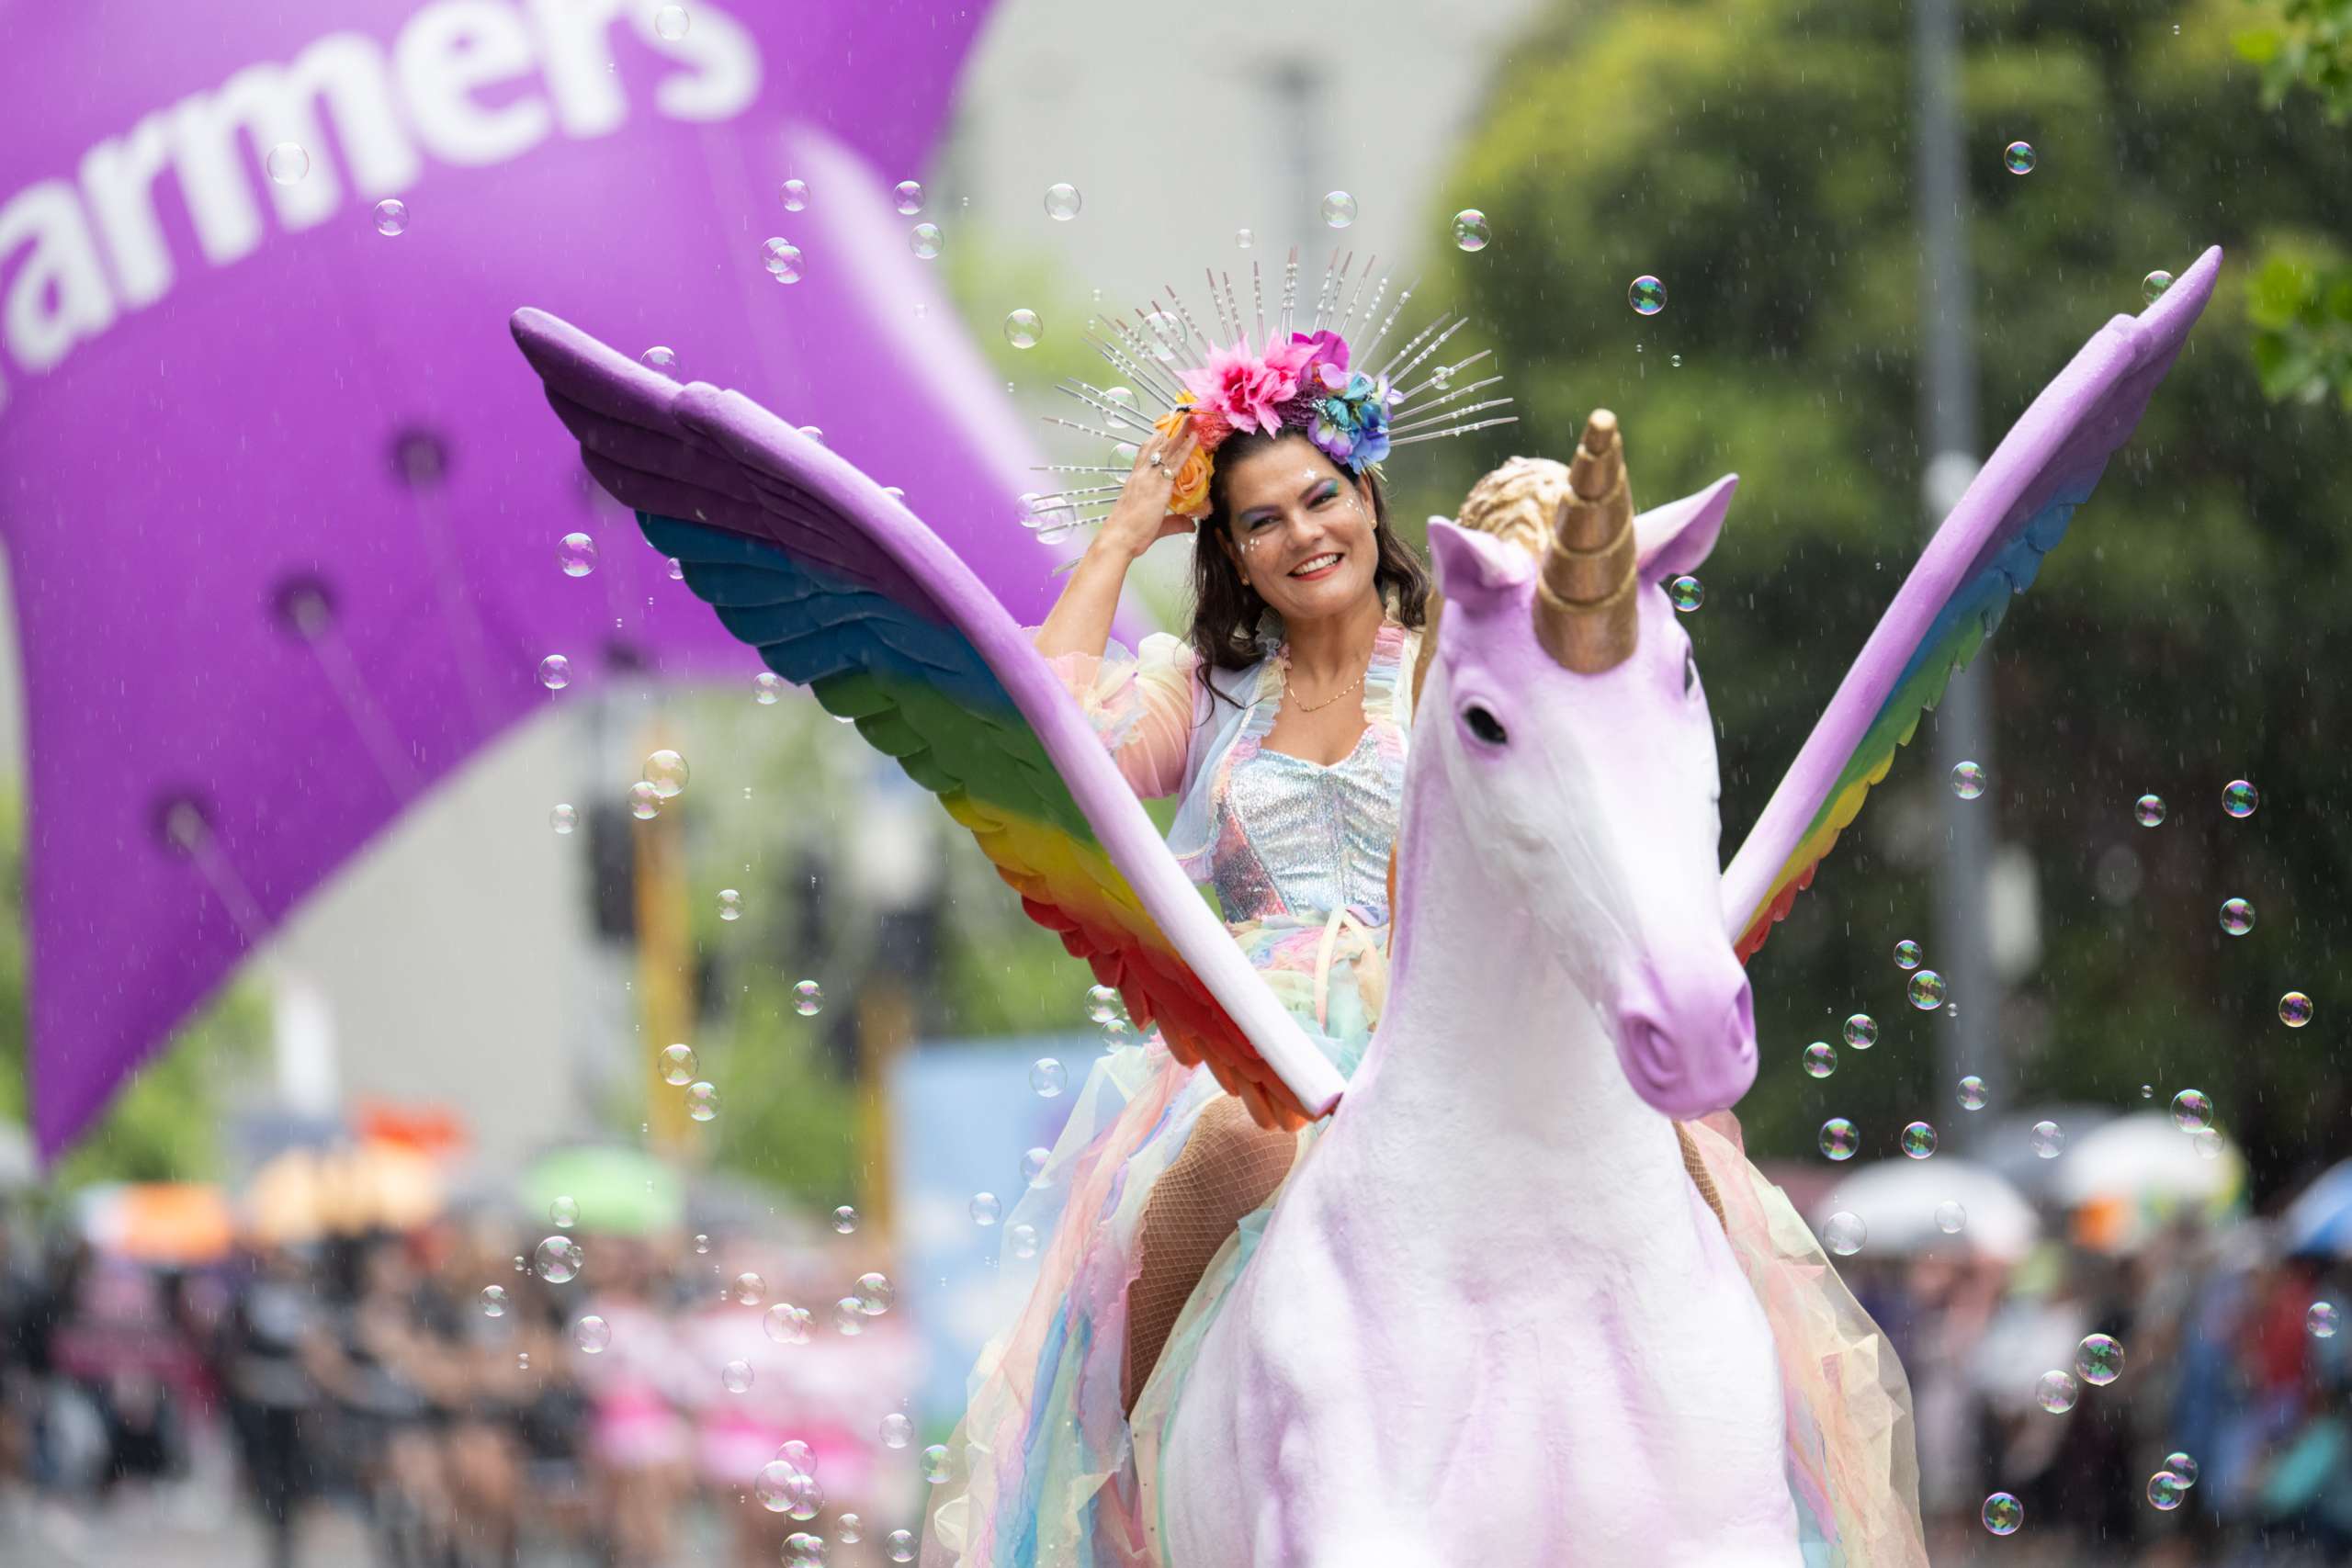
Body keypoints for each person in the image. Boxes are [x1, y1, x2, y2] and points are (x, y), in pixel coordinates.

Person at [923, 287, 1923, 1566]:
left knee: (1682, 1170)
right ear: (1230, 551)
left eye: (1321, 497)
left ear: (1369, 497)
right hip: (1265, 1052)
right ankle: (1144, 1507)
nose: (1302, 534)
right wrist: (1122, 535)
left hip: (1460, 1014)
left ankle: (1743, 1463)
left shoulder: (1464, 668)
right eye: (1260, 520)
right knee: (1218, 1162)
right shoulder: (1204, 690)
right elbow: (1052, 744)